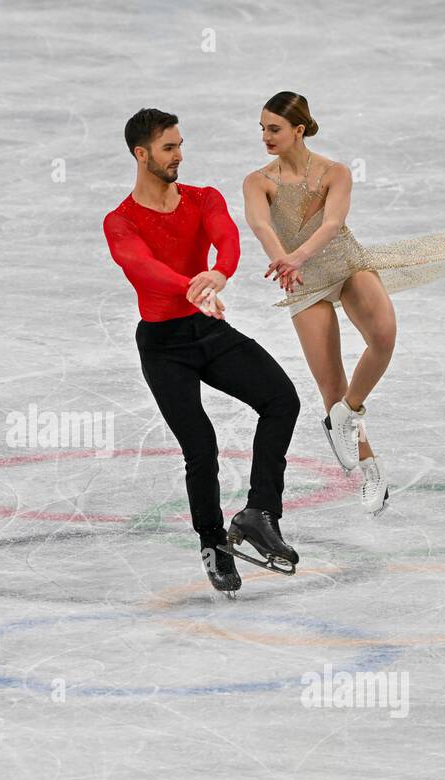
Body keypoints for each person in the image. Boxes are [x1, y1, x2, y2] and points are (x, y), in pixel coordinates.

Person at [242, 91, 445, 514]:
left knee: (384, 335)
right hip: (303, 282)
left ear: (298, 130)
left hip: (344, 263)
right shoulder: (257, 181)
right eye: (262, 128)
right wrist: (282, 257)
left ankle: (348, 414)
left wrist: (296, 255)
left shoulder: (334, 172)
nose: (265, 136)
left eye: (274, 129)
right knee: (330, 385)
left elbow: (334, 221)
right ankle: (371, 471)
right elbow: (260, 223)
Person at [103, 108, 302, 595]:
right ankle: (213, 542)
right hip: (163, 347)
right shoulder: (120, 222)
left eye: (180, 145)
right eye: (169, 148)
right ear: (141, 153)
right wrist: (191, 285)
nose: (179, 155)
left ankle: (260, 511)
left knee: (281, 399)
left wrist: (220, 273)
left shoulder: (203, 198)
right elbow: (142, 266)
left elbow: (226, 237)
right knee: (201, 445)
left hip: (207, 329)